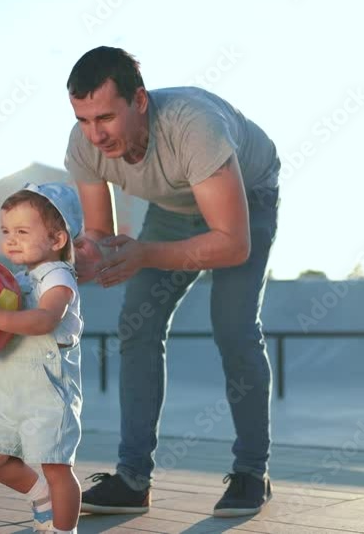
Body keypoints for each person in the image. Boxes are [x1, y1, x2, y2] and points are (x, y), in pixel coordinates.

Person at [64, 46, 281, 517]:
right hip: (174, 208)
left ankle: (251, 473)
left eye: (105, 117)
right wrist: (71, 259)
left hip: (246, 199)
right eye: (83, 119)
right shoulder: (84, 145)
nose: (94, 134)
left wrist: (143, 255)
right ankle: (132, 480)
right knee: (137, 325)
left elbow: (233, 245)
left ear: (139, 101)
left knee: (233, 327)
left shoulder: (192, 125)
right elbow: (99, 234)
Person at [0, 182, 88, 533]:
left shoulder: (58, 277)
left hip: (48, 396)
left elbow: (45, 319)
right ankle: (42, 497)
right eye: (6, 231)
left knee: (57, 468)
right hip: (12, 395)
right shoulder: (17, 280)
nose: (11, 239)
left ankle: (64, 530)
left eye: (22, 231)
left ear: (57, 239)